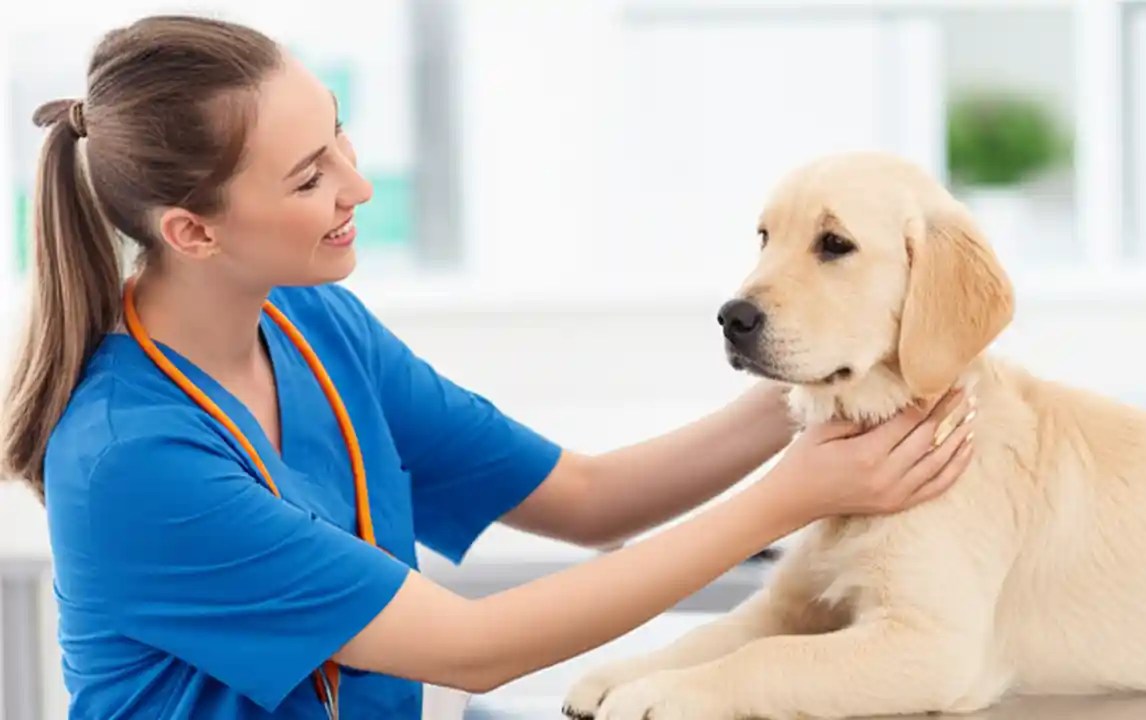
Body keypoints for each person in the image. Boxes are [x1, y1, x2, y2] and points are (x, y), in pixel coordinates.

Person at [0, 14, 975, 720]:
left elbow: (585, 499)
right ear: (192, 231)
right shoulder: (133, 459)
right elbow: (473, 652)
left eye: (335, 130)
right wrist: (786, 499)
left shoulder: (315, 328)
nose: (356, 182)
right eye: (307, 177)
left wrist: (824, 372)